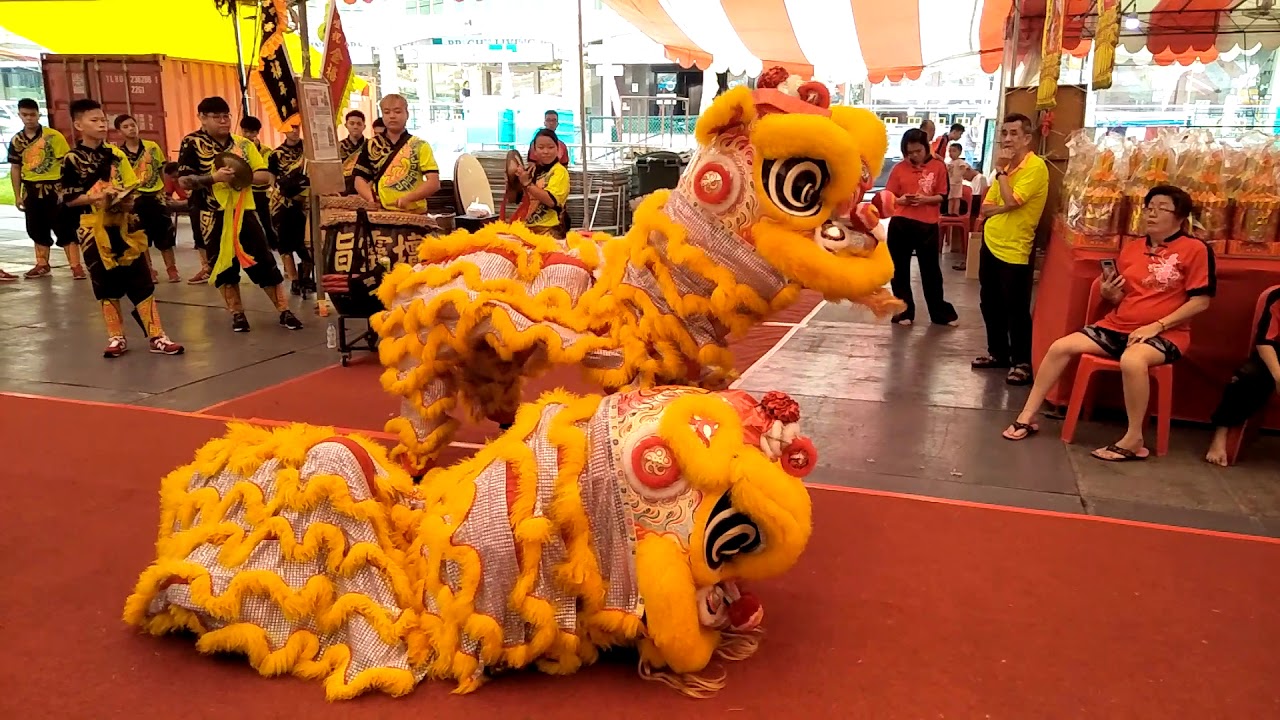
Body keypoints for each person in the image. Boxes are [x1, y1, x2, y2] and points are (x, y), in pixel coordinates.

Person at [1002, 186, 1214, 462]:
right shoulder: (1132, 248)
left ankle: (1134, 438)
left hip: (1167, 333)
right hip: (1119, 325)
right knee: (1060, 346)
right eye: (1149, 207)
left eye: (1162, 208)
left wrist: (1157, 326)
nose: (1152, 213)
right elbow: (1121, 294)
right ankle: (1027, 415)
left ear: (1180, 217)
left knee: (1133, 360)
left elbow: (1201, 302)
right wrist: (1110, 293)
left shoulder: (1195, 250)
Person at [62, 99, 183, 358]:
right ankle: (116, 336)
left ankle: (157, 335)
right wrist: (96, 197)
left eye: (103, 119)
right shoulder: (72, 159)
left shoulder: (116, 154)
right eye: (94, 120)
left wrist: (125, 199)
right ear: (78, 124)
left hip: (125, 224)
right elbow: (69, 198)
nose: (101, 124)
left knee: (140, 279)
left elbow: (131, 185)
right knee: (105, 283)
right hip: (92, 227)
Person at [177, 95, 302, 333]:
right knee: (224, 267)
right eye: (216, 117)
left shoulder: (243, 144)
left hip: (244, 211)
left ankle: (284, 310)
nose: (223, 121)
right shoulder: (191, 143)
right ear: (202, 118)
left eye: (226, 116)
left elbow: (265, 175)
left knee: (264, 261)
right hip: (211, 214)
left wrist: (242, 175)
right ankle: (237, 313)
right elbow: (184, 180)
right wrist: (213, 178)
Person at [973, 113, 1050, 386]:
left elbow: (1012, 200)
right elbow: (987, 206)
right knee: (989, 301)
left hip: (1016, 248)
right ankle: (998, 353)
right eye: (1004, 133)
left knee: (1015, 307)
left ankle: (1022, 362)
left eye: (1014, 134)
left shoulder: (1034, 167)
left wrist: (1003, 175)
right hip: (991, 242)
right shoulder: (1005, 171)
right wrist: (1005, 202)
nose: (1007, 139)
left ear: (1027, 138)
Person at [882, 128, 958, 327]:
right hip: (901, 224)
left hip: (927, 225)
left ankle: (939, 313)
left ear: (926, 147)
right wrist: (902, 200)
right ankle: (904, 312)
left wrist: (925, 199)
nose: (914, 155)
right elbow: (889, 197)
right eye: (910, 152)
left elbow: (943, 196)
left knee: (931, 271)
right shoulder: (899, 168)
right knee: (899, 271)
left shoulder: (938, 167)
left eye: (918, 151)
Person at [6, 97, 81, 280]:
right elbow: (15, 168)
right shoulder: (17, 140)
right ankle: (41, 263)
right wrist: (17, 195)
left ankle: (76, 266)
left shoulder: (53, 136)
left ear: (39, 114)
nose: (29, 118)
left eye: (33, 114)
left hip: (54, 188)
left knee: (65, 226)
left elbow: (66, 164)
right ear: (20, 115)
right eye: (25, 115)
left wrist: (68, 190)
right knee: (36, 227)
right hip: (31, 189)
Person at [1205, 287, 1280, 466]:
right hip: (1275, 355)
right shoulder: (1277, 297)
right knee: (1248, 377)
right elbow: (1264, 341)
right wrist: (1278, 375)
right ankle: (1221, 433)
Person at [113, 114, 179, 283]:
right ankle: (149, 270)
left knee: (165, 236)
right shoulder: (119, 154)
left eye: (132, 125)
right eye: (126, 127)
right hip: (136, 198)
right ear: (119, 131)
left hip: (155, 196)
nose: (131, 129)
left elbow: (161, 169)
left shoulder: (152, 147)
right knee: (141, 237)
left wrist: (164, 191)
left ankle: (172, 270)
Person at [352, 94, 440, 212]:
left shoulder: (419, 145)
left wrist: (408, 198)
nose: (392, 116)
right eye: (387, 112)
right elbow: (360, 179)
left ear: (407, 114)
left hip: (415, 214)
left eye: (397, 112)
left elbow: (433, 182)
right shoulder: (371, 145)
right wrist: (370, 198)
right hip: (381, 213)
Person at [271, 127, 313, 295]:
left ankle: (306, 277)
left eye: (297, 128)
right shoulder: (276, 154)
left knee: (308, 245)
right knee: (285, 244)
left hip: (307, 203)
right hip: (284, 203)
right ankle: (294, 280)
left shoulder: (308, 150)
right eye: (290, 128)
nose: (294, 132)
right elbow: (272, 178)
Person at [510, 128, 571, 238]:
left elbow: (551, 201)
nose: (546, 151)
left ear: (558, 149)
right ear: (534, 150)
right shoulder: (532, 171)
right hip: (528, 228)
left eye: (550, 147)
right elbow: (514, 199)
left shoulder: (559, 172)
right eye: (541, 147)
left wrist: (527, 184)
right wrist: (513, 180)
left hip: (550, 230)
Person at [237, 116, 279, 255]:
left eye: (252, 132)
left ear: (258, 132)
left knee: (267, 222)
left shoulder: (266, 152)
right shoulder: (236, 149)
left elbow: (266, 173)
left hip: (261, 192)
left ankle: (274, 247)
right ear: (241, 130)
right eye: (246, 132)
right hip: (243, 192)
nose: (249, 135)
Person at [339, 109, 367, 195]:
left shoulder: (369, 146)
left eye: (359, 124)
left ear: (364, 126)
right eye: (352, 123)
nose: (355, 126)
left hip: (363, 185)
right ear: (346, 125)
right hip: (343, 186)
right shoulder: (339, 146)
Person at [945, 142, 975, 217]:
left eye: (954, 151)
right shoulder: (949, 162)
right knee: (950, 198)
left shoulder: (960, 162)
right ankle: (949, 212)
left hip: (957, 183)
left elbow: (963, 169)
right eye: (950, 151)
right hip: (950, 183)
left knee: (956, 198)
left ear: (959, 152)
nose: (951, 153)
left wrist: (959, 176)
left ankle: (955, 212)